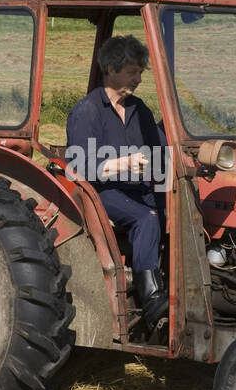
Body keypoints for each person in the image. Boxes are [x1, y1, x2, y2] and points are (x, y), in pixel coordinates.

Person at [65, 34, 169, 329]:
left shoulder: (139, 110)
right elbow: (81, 166)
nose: (138, 78)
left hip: (135, 188)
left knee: (174, 208)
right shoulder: (87, 111)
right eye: (132, 71)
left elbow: (160, 149)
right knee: (146, 217)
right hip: (100, 191)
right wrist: (124, 163)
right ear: (110, 69)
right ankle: (151, 299)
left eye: (140, 72)